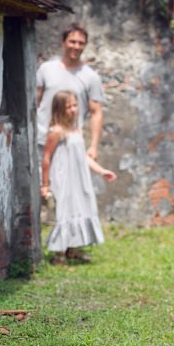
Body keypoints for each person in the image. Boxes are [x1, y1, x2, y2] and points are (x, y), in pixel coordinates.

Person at [40, 90, 116, 265]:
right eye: (68, 106)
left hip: (78, 178)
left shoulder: (75, 129)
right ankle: (59, 254)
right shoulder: (56, 131)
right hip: (63, 177)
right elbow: (46, 158)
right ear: (60, 109)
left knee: (80, 208)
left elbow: (83, 156)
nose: (73, 109)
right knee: (65, 212)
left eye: (75, 105)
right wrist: (45, 184)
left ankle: (74, 249)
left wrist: (101, 171)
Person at [36, 23, 105, 163]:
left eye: (81, 43)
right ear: (63, 42)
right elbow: (36, 103)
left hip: (70, 144)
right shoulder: (46, 69)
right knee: (43, 184)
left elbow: (96, 112)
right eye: (72, 42)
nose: (76, 46)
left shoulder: (91, 77)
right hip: (42, 141)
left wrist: (93, 147)